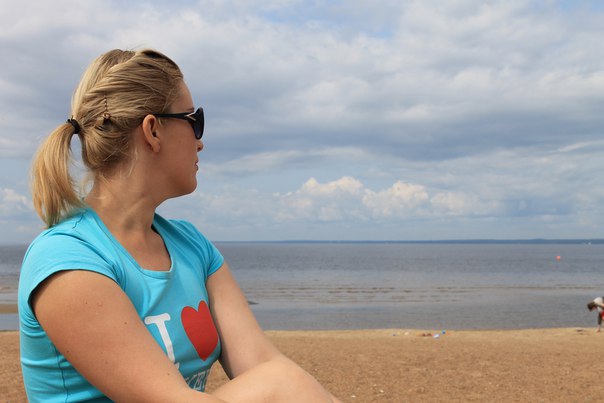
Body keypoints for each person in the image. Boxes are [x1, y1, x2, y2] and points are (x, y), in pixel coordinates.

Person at [18, 48, 341, 402]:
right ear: (153, 130)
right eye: (194, 120)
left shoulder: (191, 245)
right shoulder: (67, 259)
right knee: (282, 381)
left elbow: (260, 362)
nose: (200, 142)